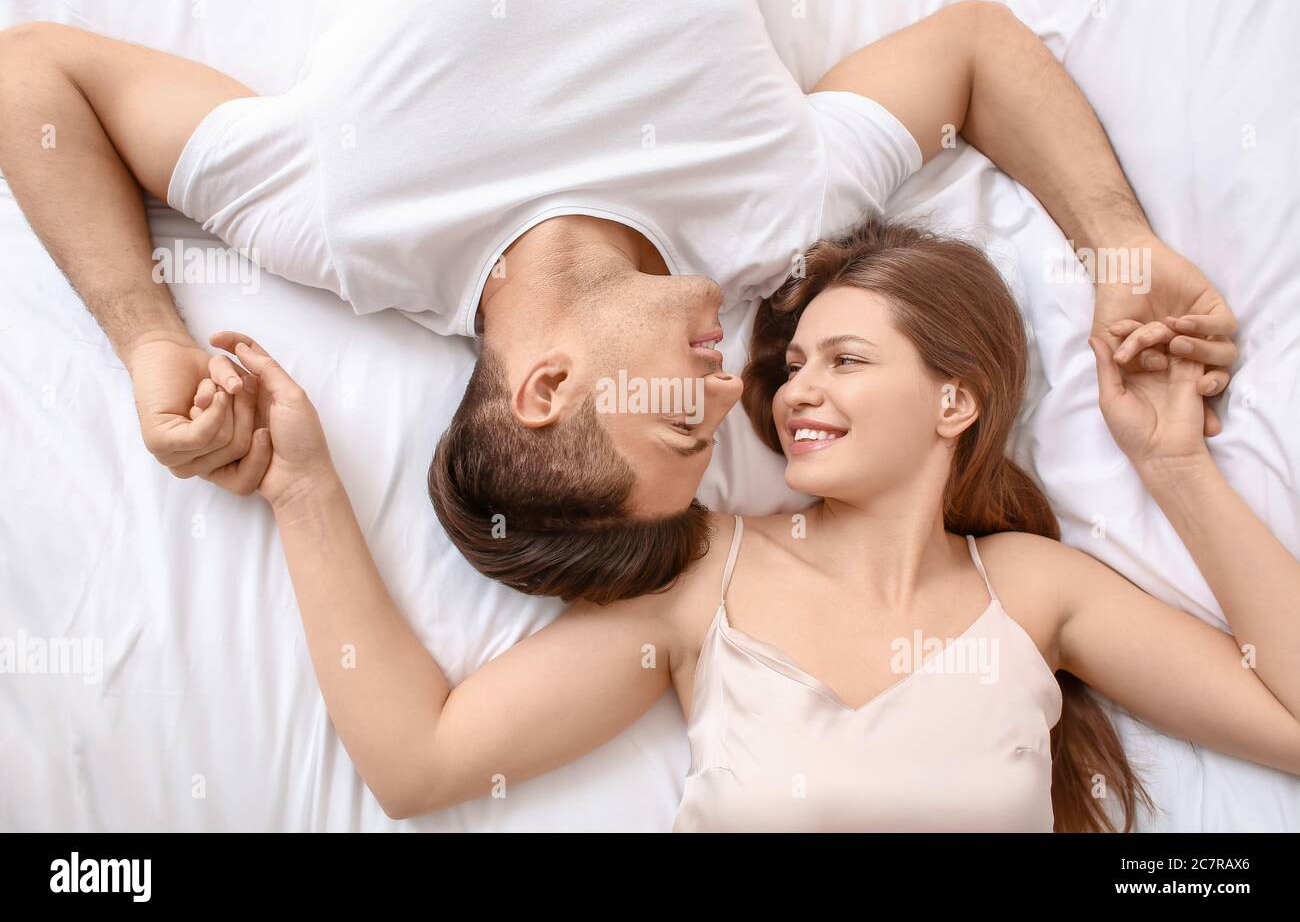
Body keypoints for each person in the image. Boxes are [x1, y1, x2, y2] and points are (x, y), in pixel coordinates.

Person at [0, 0, 1237, 602]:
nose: (730, 389)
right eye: (713, 433)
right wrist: (1116, 252)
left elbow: (35, 72)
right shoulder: (768, 220)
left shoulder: (333, 222)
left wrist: (145, 338)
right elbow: (974, 49)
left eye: (679, 419)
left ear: (543, 385)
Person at [187, 217, 1298, 831]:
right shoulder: (703, 575)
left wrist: (1175, 465)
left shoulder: (1036, 588)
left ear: (955, 401)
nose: (793, 392)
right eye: (796, 364)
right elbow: (421, 762)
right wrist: (304, 486)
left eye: (847, 361)